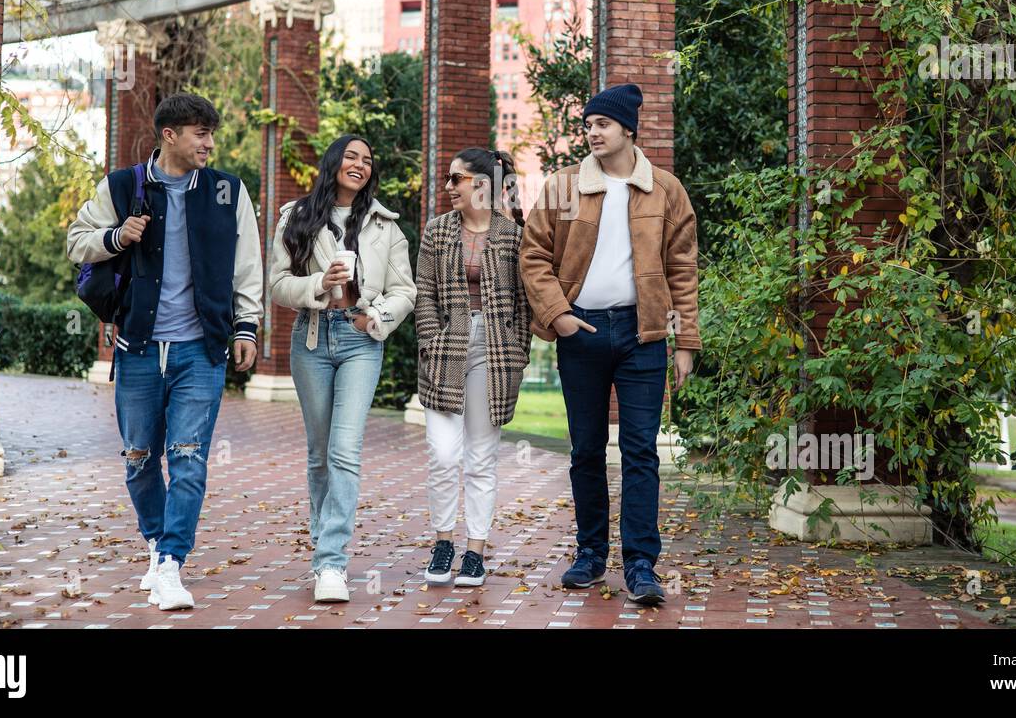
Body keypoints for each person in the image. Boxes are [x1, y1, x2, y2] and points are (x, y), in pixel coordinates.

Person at [66, 92, 263, 611]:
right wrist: (116, 236)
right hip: (136, 348)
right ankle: (155, 544)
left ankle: (173, 562)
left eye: (211, 133)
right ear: (170, 136)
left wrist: (246, 328)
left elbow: (247, 266)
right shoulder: (122, 186)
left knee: (188, 457)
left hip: (201, 350)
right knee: (138, 459)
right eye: (201, 133)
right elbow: (75, 241)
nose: (210, 143)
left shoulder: (227, 191)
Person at [519, 83, 700, 605]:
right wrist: (561, 317)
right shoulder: (562, 186)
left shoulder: (666, 189)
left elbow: (683, 268)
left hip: (644, 337)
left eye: (601, 124)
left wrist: (684, 339)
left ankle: (641, 564)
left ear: (627, 129)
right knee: (585, 450)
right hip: (584, 333)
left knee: (641, 450)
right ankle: (590, 554)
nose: (592, 132)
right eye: (588, 124)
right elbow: (533, 257)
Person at [268, 134, 416, 603]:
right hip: (311, 338)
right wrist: (319, 281)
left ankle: (331, 563)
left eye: (368, 160)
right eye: (351, 156)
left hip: (360, 341)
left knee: (344, 451)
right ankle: (323, 546)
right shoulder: (296, 218)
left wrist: (377, 317)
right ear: (333, 161)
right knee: (318, 454)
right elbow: (276, 284)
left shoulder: (385, 226)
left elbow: (404, 289)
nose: (360, 165)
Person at [414, 149, 532, 587]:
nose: (448, 187)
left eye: (456, 179)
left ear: (481, 184)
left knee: (481, 458)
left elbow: (525, 304)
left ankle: (475, 551)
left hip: (495, 352)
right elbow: (423, 291)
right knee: (444, 454)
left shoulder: (514, 235)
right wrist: (430, 340)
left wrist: (517, 354)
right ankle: (443, 542)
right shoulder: (437, 231)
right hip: (446, 348)